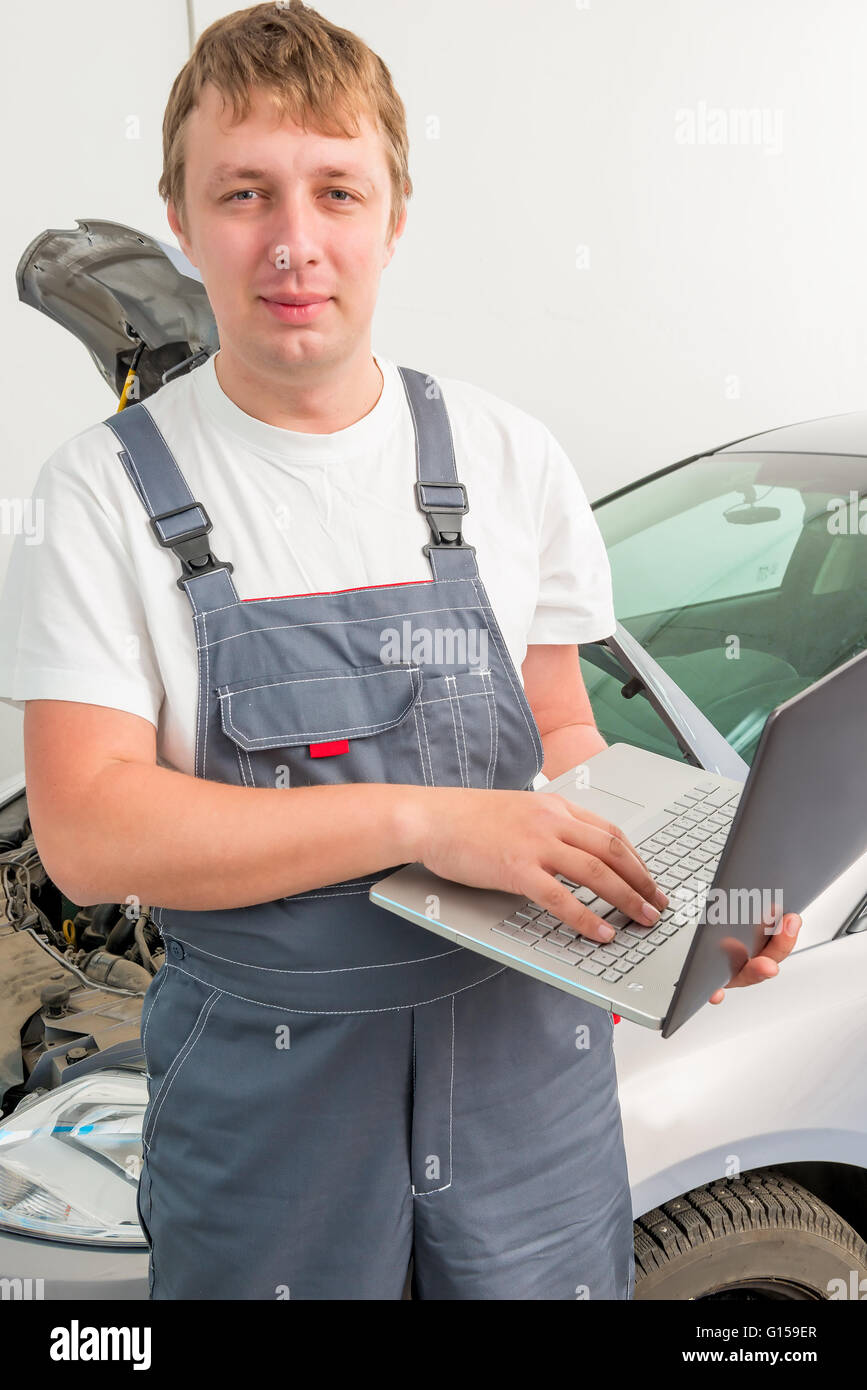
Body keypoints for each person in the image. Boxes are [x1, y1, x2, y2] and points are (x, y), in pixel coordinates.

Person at [0, 1, 800, 1300]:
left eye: (337, 190)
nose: (295, 240)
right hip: (270, 1117)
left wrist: (685, 898)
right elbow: (90, 830)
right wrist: (427, 820)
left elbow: (560, 741)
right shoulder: (98, 492)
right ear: (182, 220)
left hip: (529, 1095)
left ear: (396, 215)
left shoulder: (505, 455)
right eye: (245, 193)